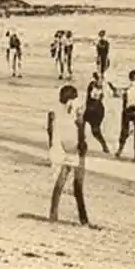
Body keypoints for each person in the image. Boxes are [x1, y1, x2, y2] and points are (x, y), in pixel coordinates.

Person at [48, 85, 90, 225]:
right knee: (78, 184)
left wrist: (53, 146)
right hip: (76, 147)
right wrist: (83, 143)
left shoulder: (54, 110)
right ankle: (83, 219)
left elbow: (50, 129)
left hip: (63, 147)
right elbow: (81, 127)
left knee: (60, 182)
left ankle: (53, 214)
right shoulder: (76, 109)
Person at [84, 72, 112, 153]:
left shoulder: (96, 86)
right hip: (94, 108)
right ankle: (104, 145)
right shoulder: (94, 85)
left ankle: (104, 145)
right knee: (85, 126)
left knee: (95, 130)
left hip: (95, 109)